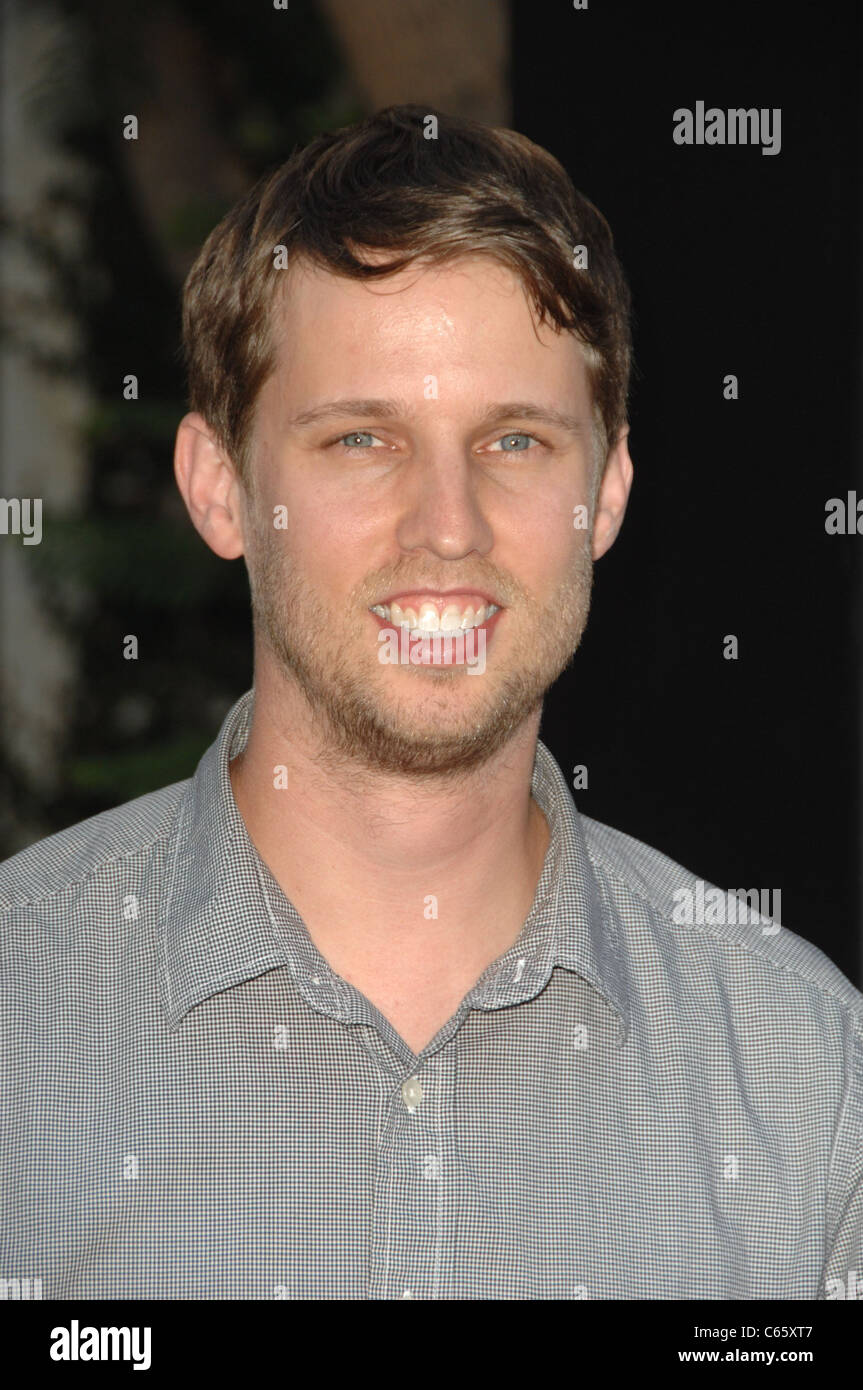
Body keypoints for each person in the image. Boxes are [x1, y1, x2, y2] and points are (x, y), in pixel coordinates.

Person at [1, 104, 861, 1301]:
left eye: (513, 442)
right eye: (362, 439)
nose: (446, 526)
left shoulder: (803, 1080)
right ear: (219, 489)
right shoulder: (16, 1020)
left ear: (604, 494)